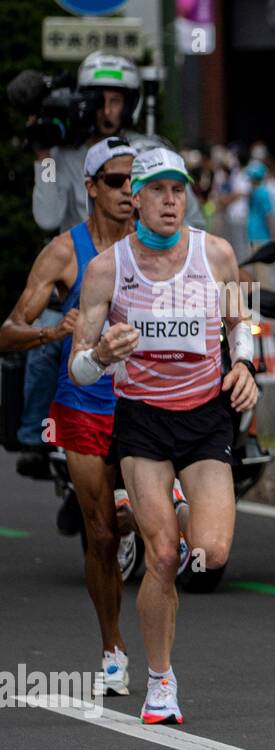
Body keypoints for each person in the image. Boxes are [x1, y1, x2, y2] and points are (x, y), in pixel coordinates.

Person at [68, 148, 259, 725]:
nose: (171, 200)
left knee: (211, 551)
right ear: (137, 202)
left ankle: (169, 506)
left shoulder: (215, 254)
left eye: (179, 190)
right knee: (163, 555)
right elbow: (79, 366)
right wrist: (101, 354)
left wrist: (245, 365)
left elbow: (241, 319)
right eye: (158, 191)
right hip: (143, 421)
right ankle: (160, 682)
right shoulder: (108, 268)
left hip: (204, 418)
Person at [18, 53, 202, 478]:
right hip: (78, 281)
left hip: (149, 278)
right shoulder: (63, 153)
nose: (108, 110)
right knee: (45, 341)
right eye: (99, 99)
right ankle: (36, 437)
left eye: (117, 100)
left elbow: (191, 221)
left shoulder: (151, 149)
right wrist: (43, 155)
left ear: (131, 103)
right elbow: (47, 217)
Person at [1, 139, 138, 693]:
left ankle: (140, 511)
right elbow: (8, 331)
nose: (129, 192)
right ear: (90, 188)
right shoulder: (64, 253)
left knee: (165, 527)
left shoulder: (153, 249)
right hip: (82, 405)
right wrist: (53, 330)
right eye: (116, 182)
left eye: (135, 182)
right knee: (100, 535)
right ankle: (112, 648)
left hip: (142, 405)